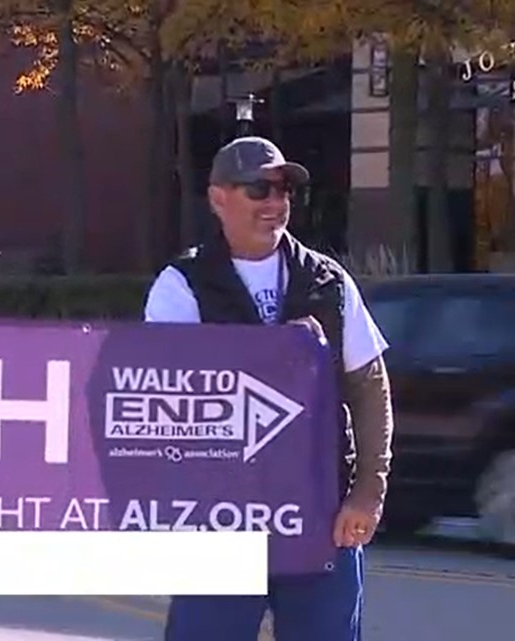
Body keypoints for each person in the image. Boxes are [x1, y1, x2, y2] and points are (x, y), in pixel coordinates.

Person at [143, 137, 395, 641]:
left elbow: (369, 388)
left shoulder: (328, 281)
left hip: (320, 517)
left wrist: (369, 490)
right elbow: (168, 396)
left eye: (283, 190)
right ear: (218, 198)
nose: (275, 203)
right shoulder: (182, 285)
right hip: (219, 522)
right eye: (259, 189)